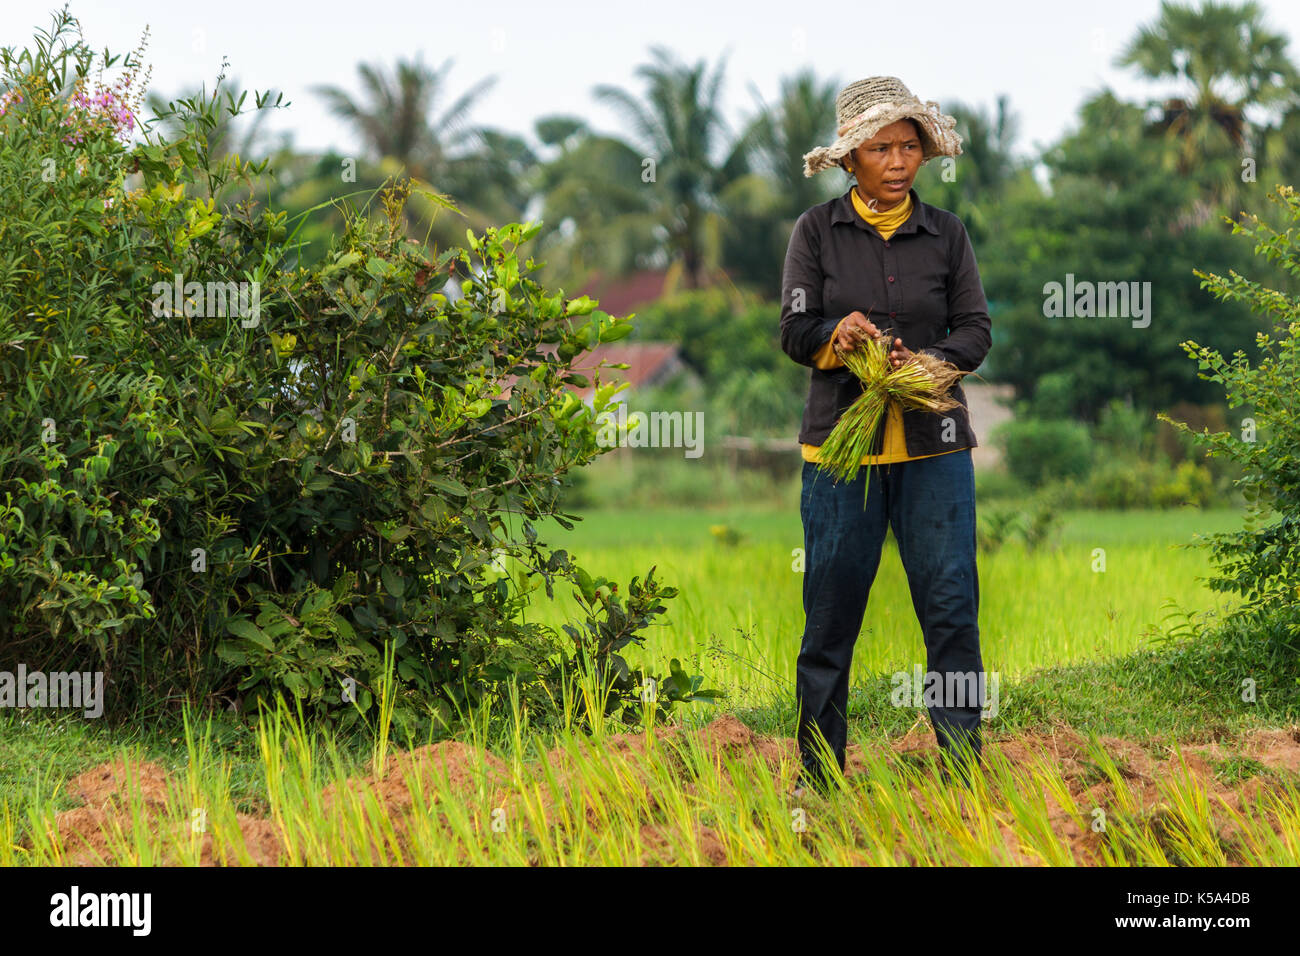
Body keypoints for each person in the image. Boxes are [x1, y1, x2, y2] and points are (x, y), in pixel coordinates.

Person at [780, 76, 992, 794]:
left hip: (936, 448)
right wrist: (837, 336)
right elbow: (793, 329)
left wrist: (931, 364)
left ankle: (963, 772)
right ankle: (818, 776)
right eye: (881, 148)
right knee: (831, 616)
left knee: (951, 606)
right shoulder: (815, 233)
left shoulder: (948, 234)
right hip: (843, 454)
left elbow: (975, 330)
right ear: (851, 159)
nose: (898, 160)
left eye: (909, 146)